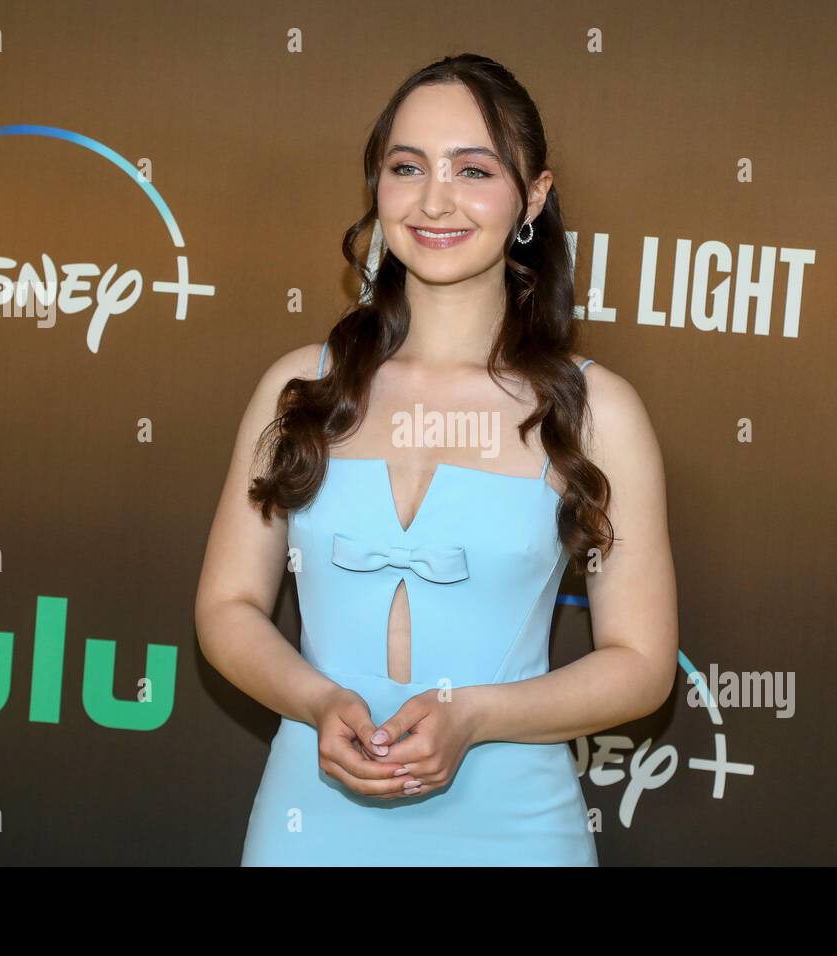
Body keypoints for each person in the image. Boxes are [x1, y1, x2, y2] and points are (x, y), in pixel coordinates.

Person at [195, 53, 678, 865]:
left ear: (533, 196)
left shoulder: (598, 414)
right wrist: (317, 704)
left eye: (473, 169)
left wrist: (477, 717)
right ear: (377, 189)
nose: (435, 200)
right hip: (310, 818)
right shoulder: (298, 388)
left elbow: (640, 664)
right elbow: (228, 606)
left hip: (515, 828)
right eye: (407, 167)